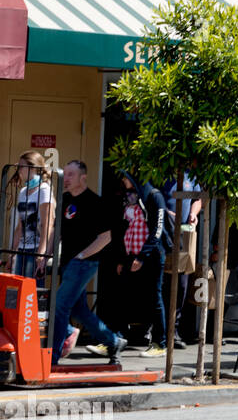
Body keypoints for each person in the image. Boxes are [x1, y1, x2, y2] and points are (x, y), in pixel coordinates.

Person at [48, 160, 126, 365]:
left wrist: (82, 255)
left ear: (83, 177)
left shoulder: (95, 203)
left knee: (60, 306)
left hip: (84, 263)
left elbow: (106, 237)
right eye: (66, 174)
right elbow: (57, 232)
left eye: (71, 174)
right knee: (78, 310)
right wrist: (46, 255)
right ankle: (113, 341)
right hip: (67, 263)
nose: (67, 178)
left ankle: (52, 357)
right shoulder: (64, 199)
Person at [110, 173, 167, 358]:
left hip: (151, 255)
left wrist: (143, 257)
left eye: (126, 178)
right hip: (130, 253)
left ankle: (160, 343)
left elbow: (157, 230)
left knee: (154, 299)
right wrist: (121, 258)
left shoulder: (154, 195)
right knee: (122, 296)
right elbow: (124, 227)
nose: (123, 182)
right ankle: (117, 338)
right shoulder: (128, 197)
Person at [161, 171, 202, 350]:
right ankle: (159, 330)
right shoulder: (160, 173)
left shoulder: (191, 177)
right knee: (162, 284)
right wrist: (165, 211)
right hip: (163, 234)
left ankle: (174, 331)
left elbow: (198, 199)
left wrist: (193, 213)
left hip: (183, 233)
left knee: (182, 285)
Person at [8, 150, 54, 278]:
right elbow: (20, 226)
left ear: (33, 168)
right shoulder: (23, 191)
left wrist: (41, 252)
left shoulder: (44, 190)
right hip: (22, 249)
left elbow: (47, 224)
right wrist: (12, 253)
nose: (19, 170)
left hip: (35, 249)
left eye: (21, 166)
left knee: (31, 291)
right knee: (18, 289)